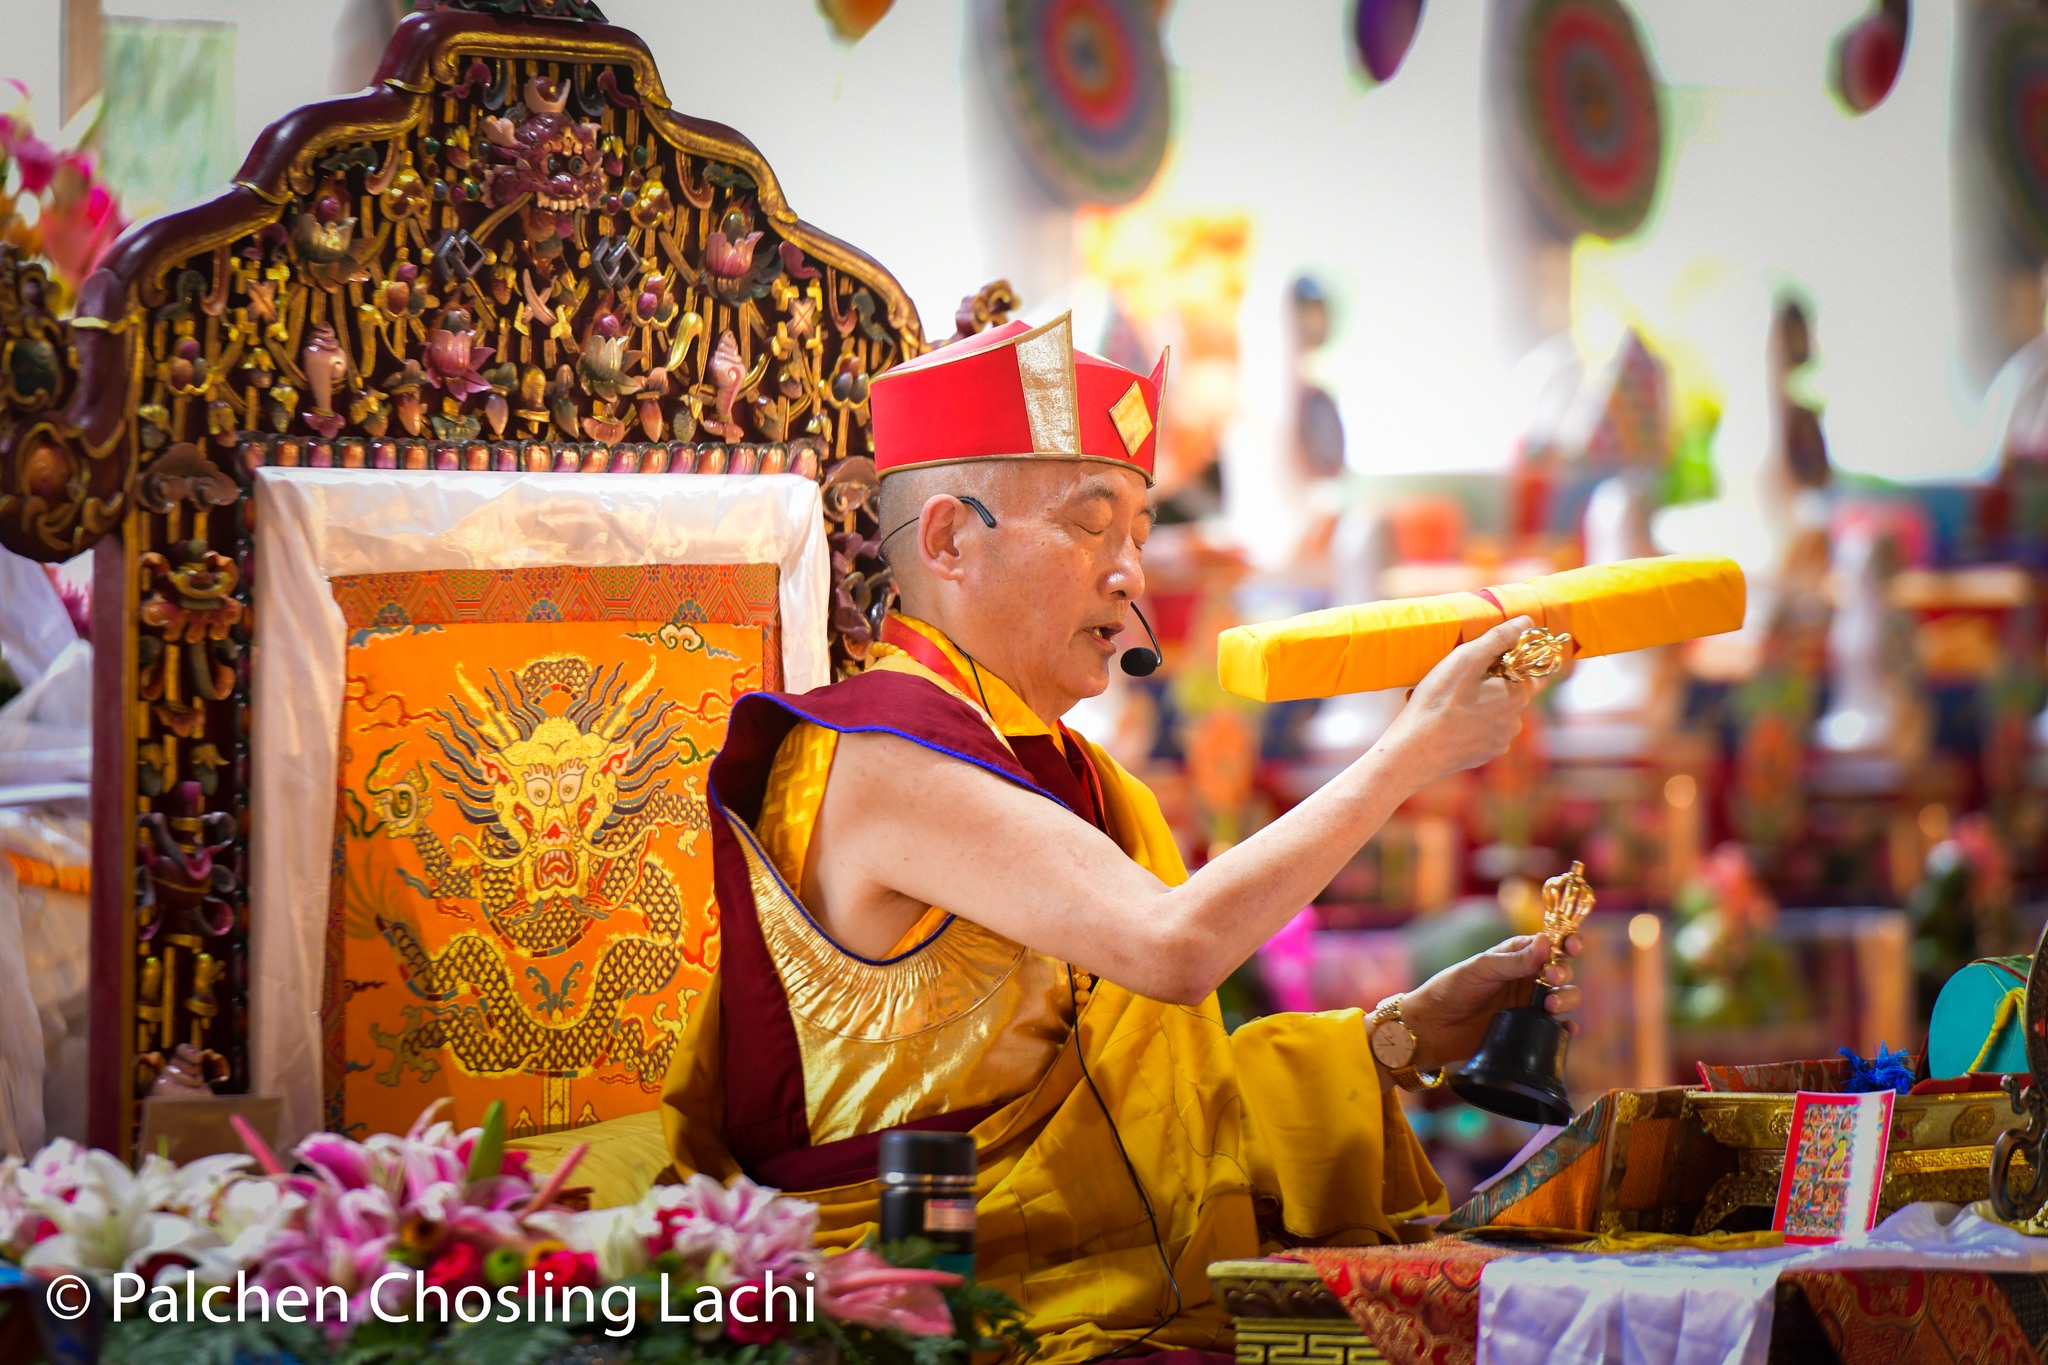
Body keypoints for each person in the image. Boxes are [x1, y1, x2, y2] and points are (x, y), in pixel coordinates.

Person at [659, 315, 1580, 1362]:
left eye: (1137, 531)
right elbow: (1172, 948)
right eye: (1090, 524)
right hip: (951, 1327)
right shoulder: (878, 754)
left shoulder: (1082, 779)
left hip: (1109, 1297)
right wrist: (1407, 753)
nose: (1129, 573)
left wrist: (1399, 1035)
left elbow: (1146, 1101)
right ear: (951, 540)